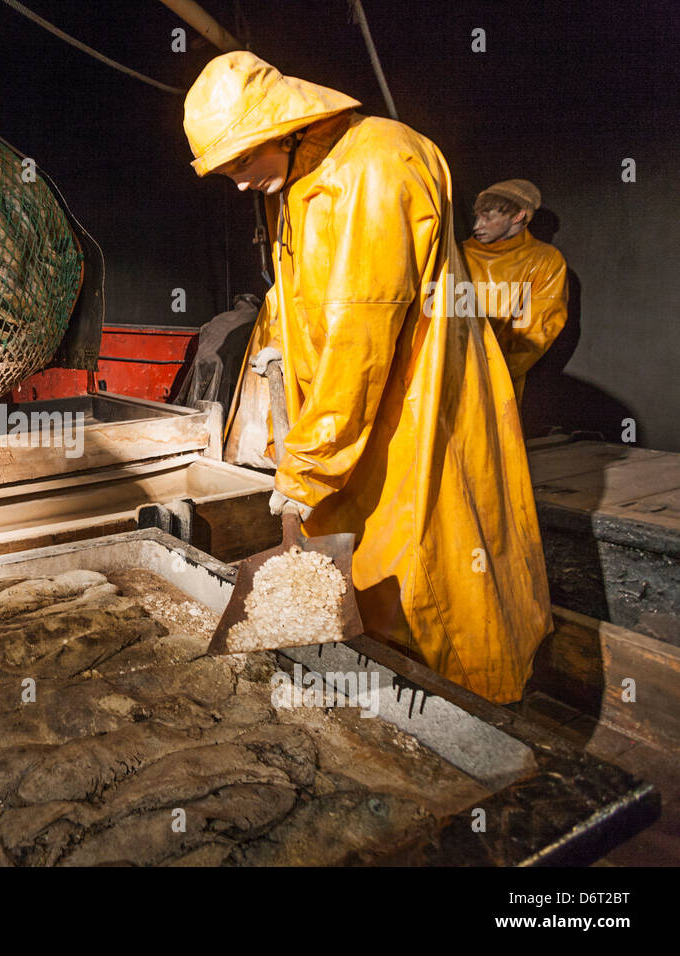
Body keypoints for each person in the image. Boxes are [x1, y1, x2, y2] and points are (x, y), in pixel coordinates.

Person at [183, 52, 551, 704]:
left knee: (436, 578)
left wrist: (305, 469)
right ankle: (390, 708)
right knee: (371, 591)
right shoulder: (294, 185)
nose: (237, 183)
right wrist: (284, 431)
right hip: (344, 425)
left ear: (283, 127)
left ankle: (479, 730)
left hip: (410, 411)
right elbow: (299, 307)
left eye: (240, 162)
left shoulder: (377, 166)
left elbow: (362, 339)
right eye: (224, 171)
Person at [462, 179, 569, 405]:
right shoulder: (456, 253)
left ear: (518, 216)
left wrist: (499, 372)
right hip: (445, 375)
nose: (476, 226)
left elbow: (540, 329)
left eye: (488, 217)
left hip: (498, 382)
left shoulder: (545, 261)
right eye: (477, 216)